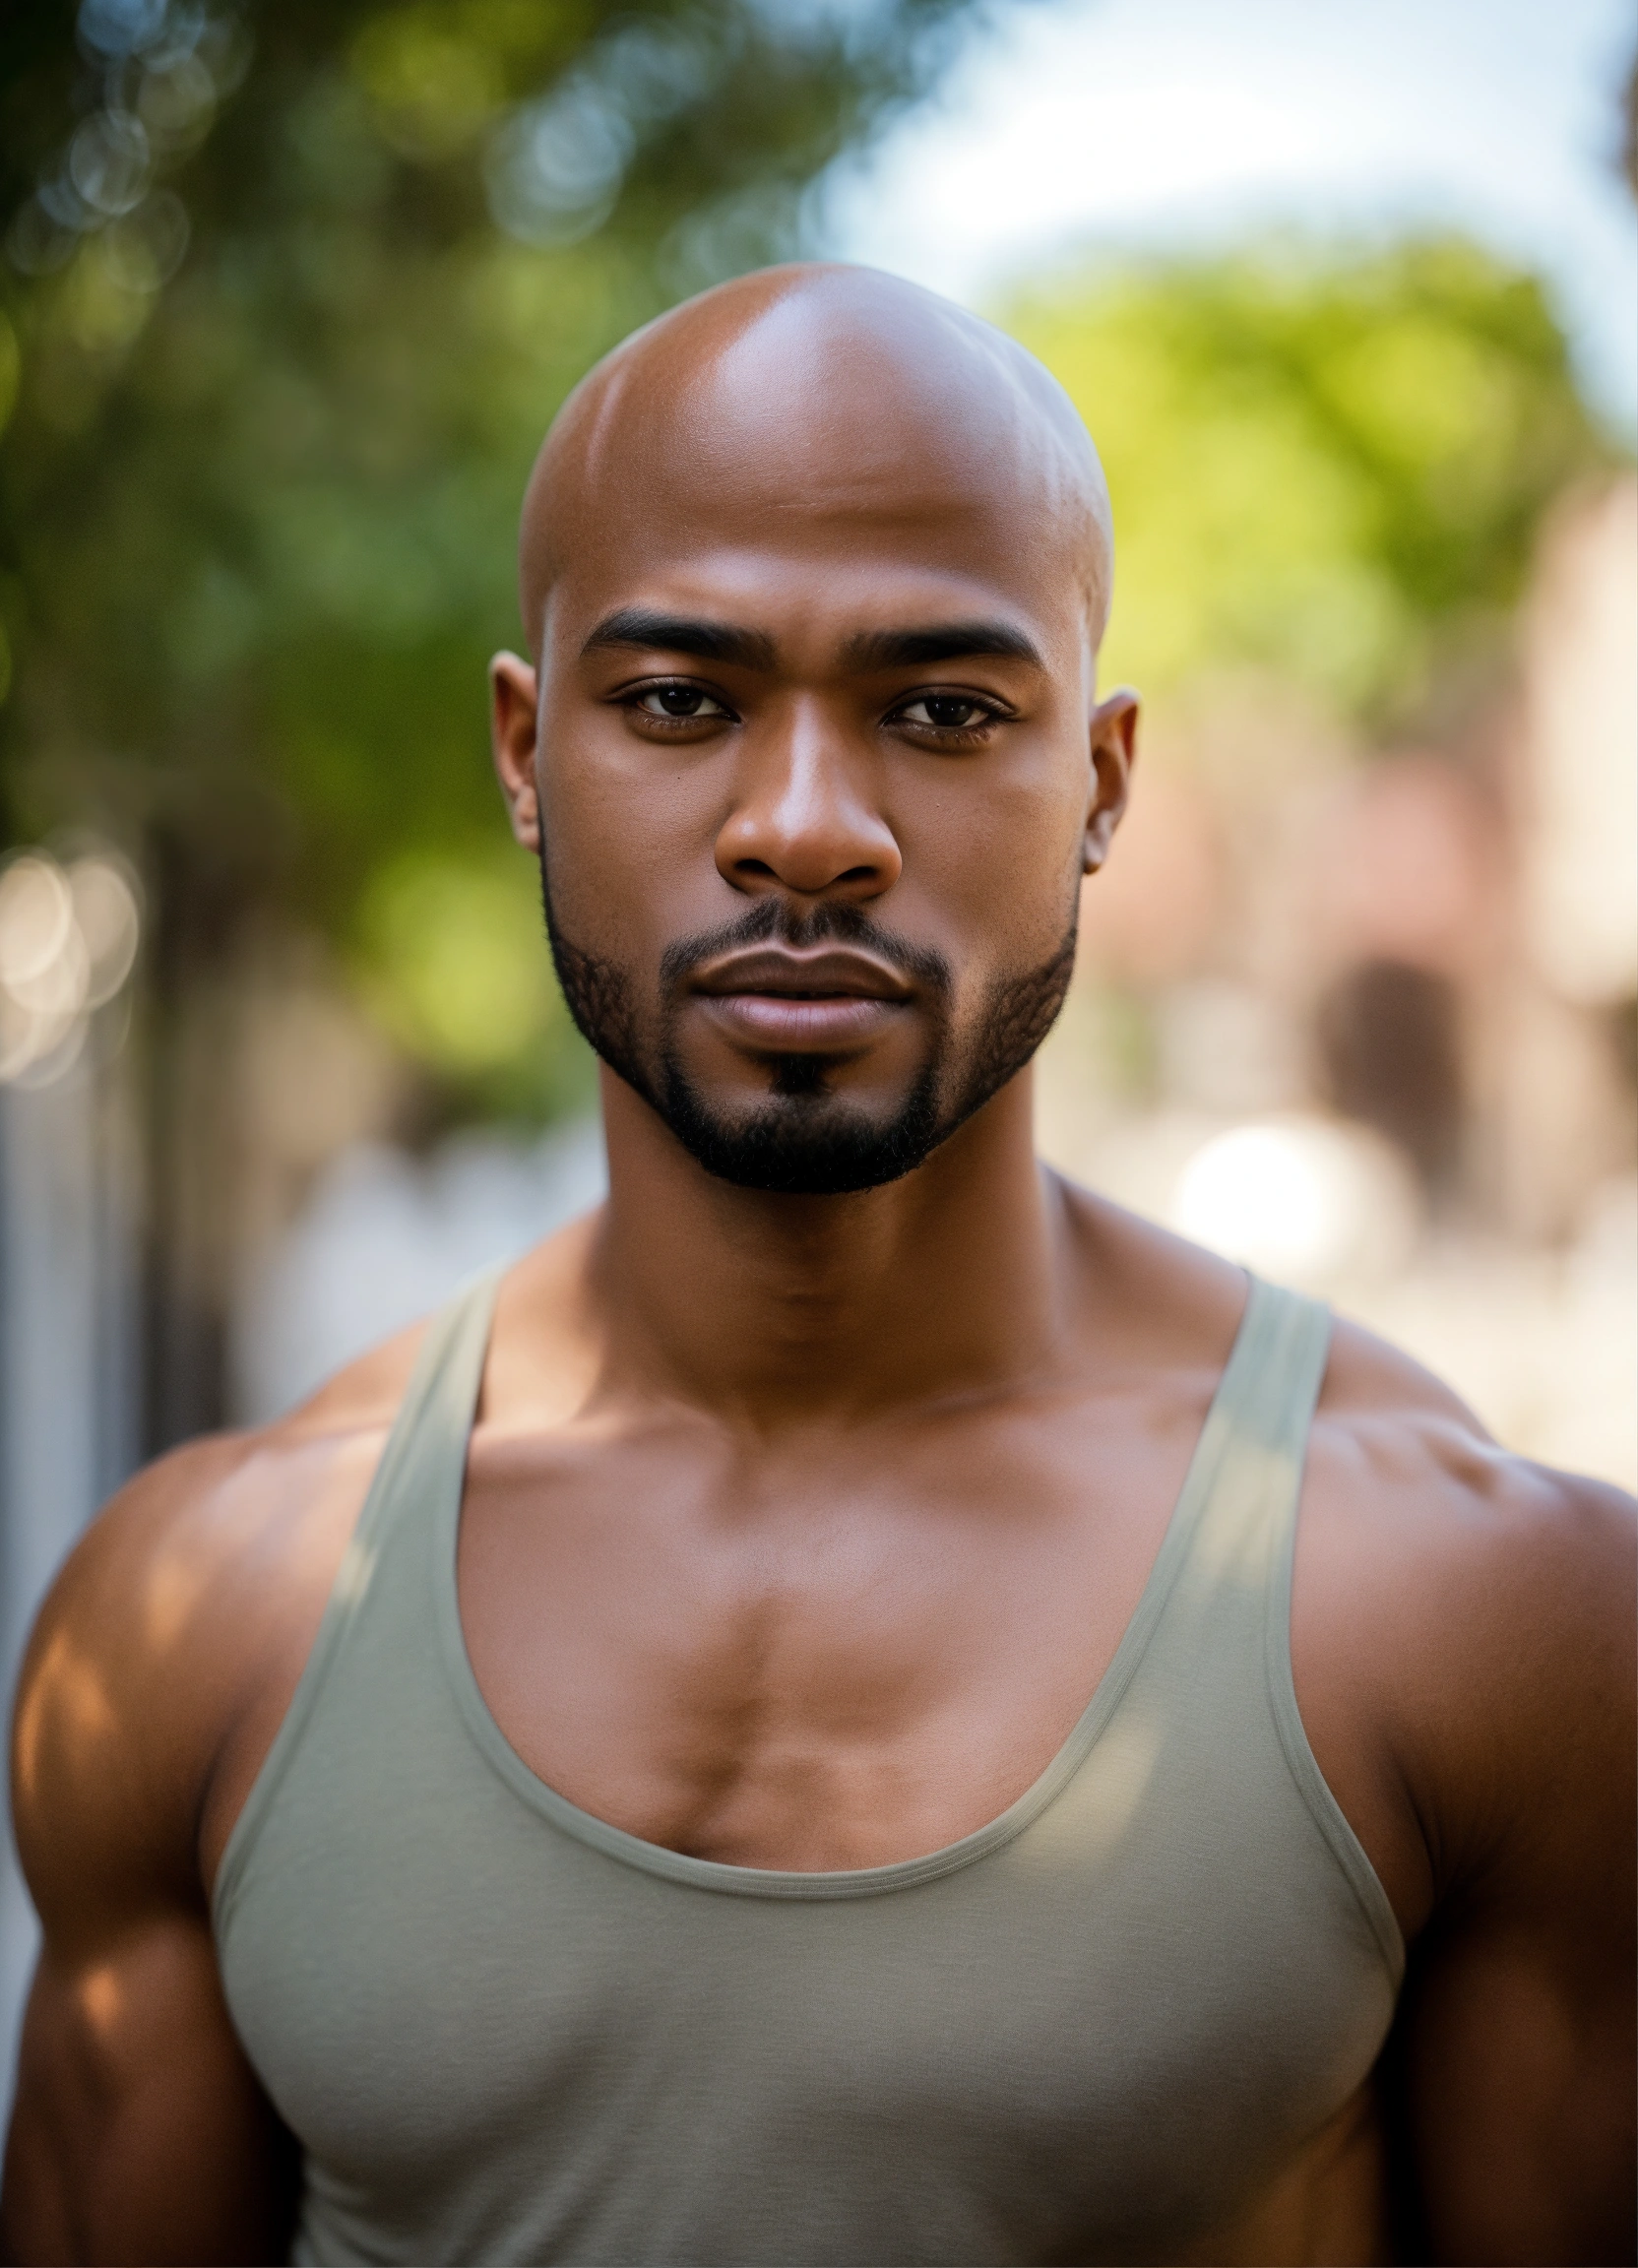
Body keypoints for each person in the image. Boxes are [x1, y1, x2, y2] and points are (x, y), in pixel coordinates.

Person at [1, 264, 1632, 2268]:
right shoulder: (194, 1626)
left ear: (1100, 784)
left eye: (941, 711)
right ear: (524, 755)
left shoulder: (1476, 1612)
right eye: (679, 701)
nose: (802, 829)